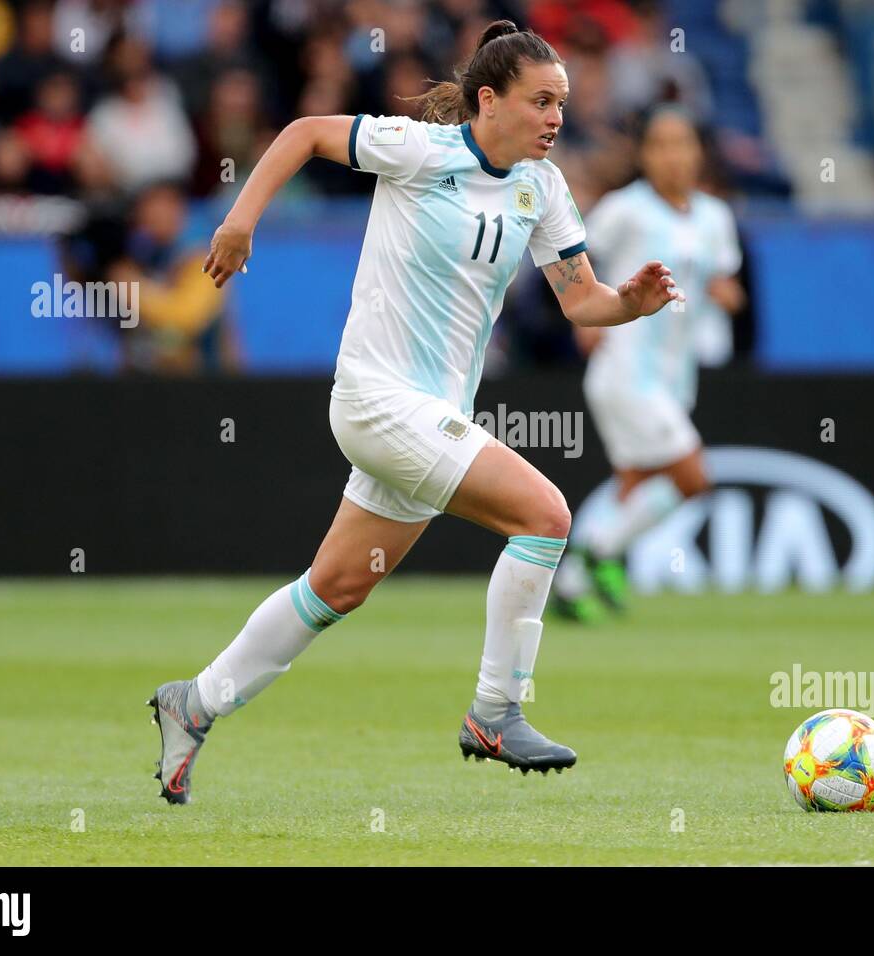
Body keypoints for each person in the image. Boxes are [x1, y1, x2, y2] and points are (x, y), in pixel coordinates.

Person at [146, 20, 684, 803]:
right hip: (375, 398)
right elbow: (302, 133)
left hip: (430, 417)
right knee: (545, 516)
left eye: (561, 104)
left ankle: (192, 704)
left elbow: (582, 302)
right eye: (541, 102)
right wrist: (239, 221)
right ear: (489, 100)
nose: (556, 119)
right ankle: (496, 711)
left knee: (336, 587)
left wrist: (628, 305)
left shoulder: (545, 187)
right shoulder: (417, 149)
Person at [553, 105, 744, 620]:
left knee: (635, 483)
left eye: (682, 143)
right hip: (625, 370)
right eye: (661, 144)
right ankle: (602, 552)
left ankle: (570, 585)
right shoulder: (625, 210)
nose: (673, 155)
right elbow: (572, 262)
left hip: (674, 375)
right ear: (645, 154)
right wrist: (583, 318)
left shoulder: (714, 217)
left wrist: (724, 294)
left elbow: (721, 279)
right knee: (692, 476)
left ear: (698, 153)